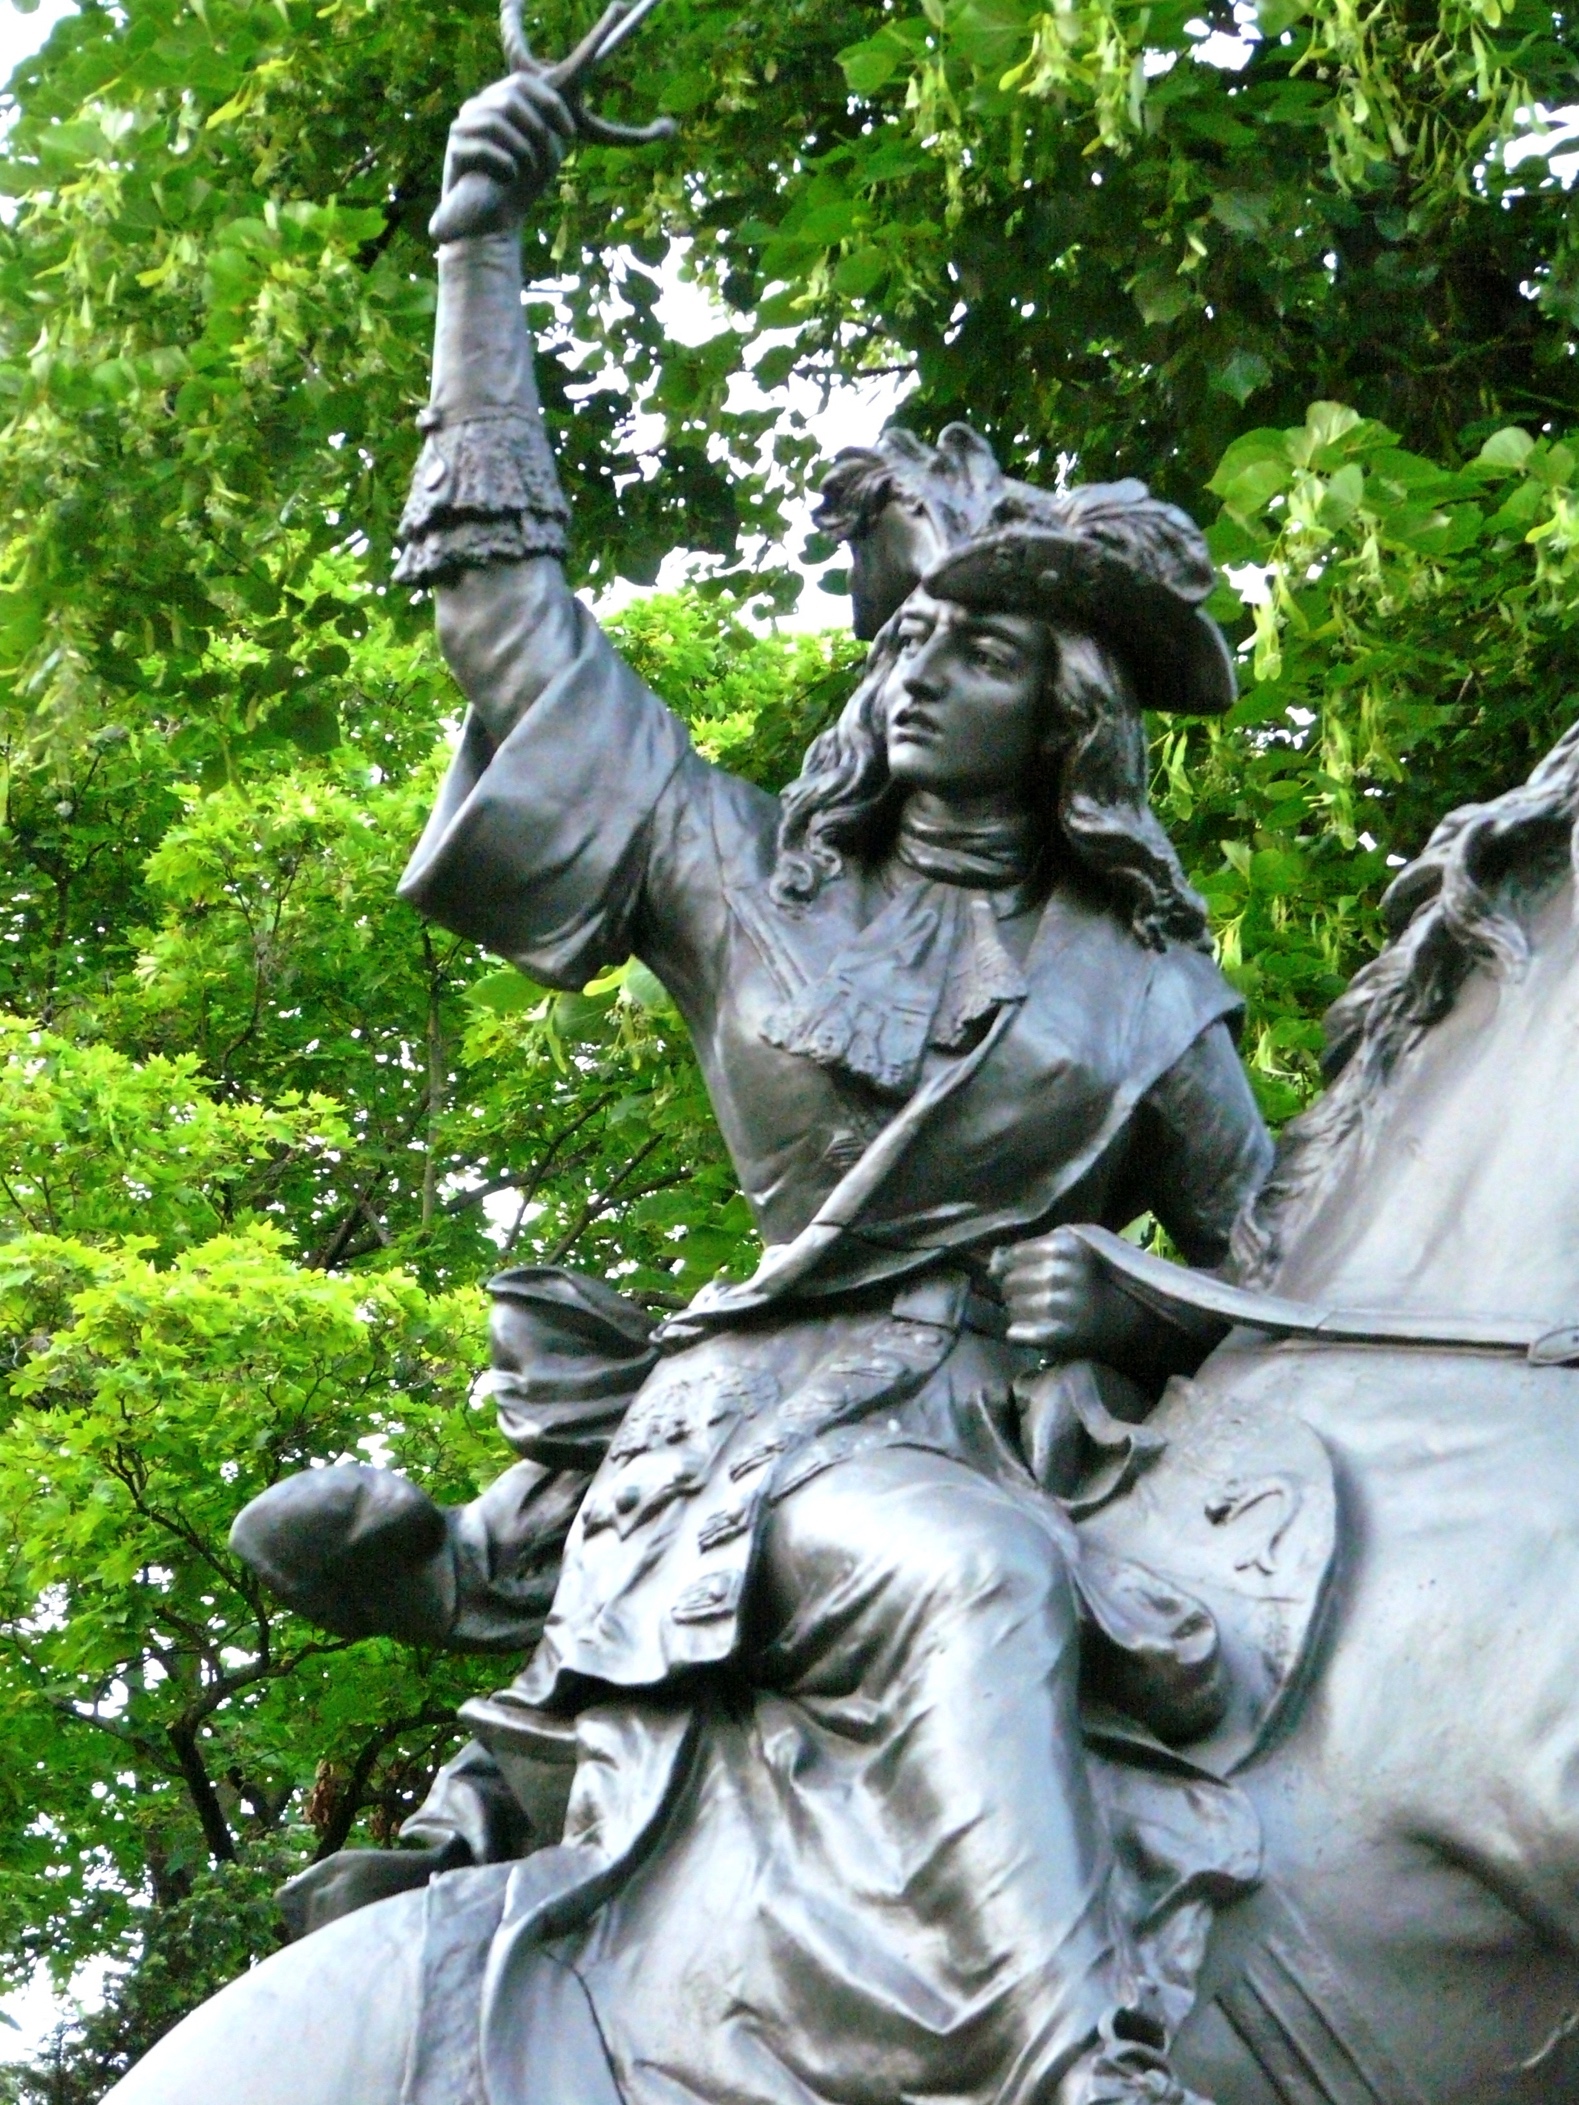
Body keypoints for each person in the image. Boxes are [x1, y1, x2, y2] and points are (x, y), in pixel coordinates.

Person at [238, 66, 1275, 2105]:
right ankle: (1076, 2068)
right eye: (899, 643)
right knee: (965, 1577)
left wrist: (1146, 1305)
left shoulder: (1149, 985)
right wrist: (477, 247)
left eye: (970, 653)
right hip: (773, 1451)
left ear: (1062, 715)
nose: (909, 674)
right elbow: (501, 621)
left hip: (1063, 1452)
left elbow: (1279, 1268)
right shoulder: (734, 873)